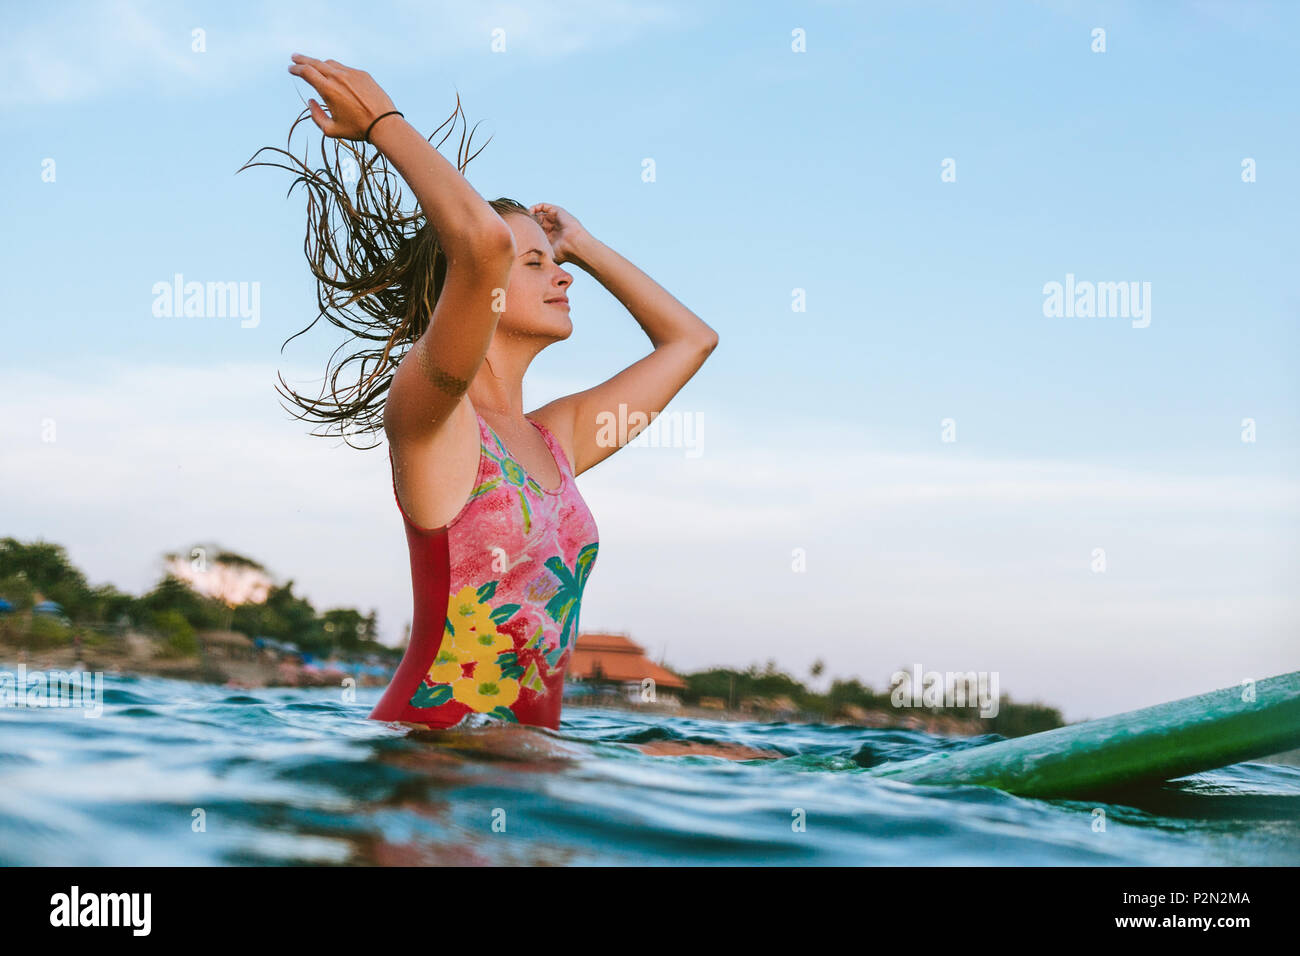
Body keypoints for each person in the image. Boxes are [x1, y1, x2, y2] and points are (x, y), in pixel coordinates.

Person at [270, 55, 719, 733]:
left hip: (526, 775)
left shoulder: (555, 437)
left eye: (558, 263)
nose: (562, 278)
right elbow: (478, 245)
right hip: (434, 769)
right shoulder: (433, 411)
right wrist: (385, 126)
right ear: (483, 291)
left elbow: (690, 341)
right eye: (534, 263)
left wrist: (586, 246)